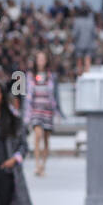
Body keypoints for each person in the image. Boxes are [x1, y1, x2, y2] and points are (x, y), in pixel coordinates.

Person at [21, 49, 62, 177]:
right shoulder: (30, 75)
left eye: (43, 59)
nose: (41, 62)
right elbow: (27, 96)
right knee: (37, 135)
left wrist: (58, 112)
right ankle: (37, 165)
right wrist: (27, 115)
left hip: (48, 110)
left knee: (46, 139)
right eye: (39, 59)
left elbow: (55, 95)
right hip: (35, 109)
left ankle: (43, 165)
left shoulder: (51, 76)